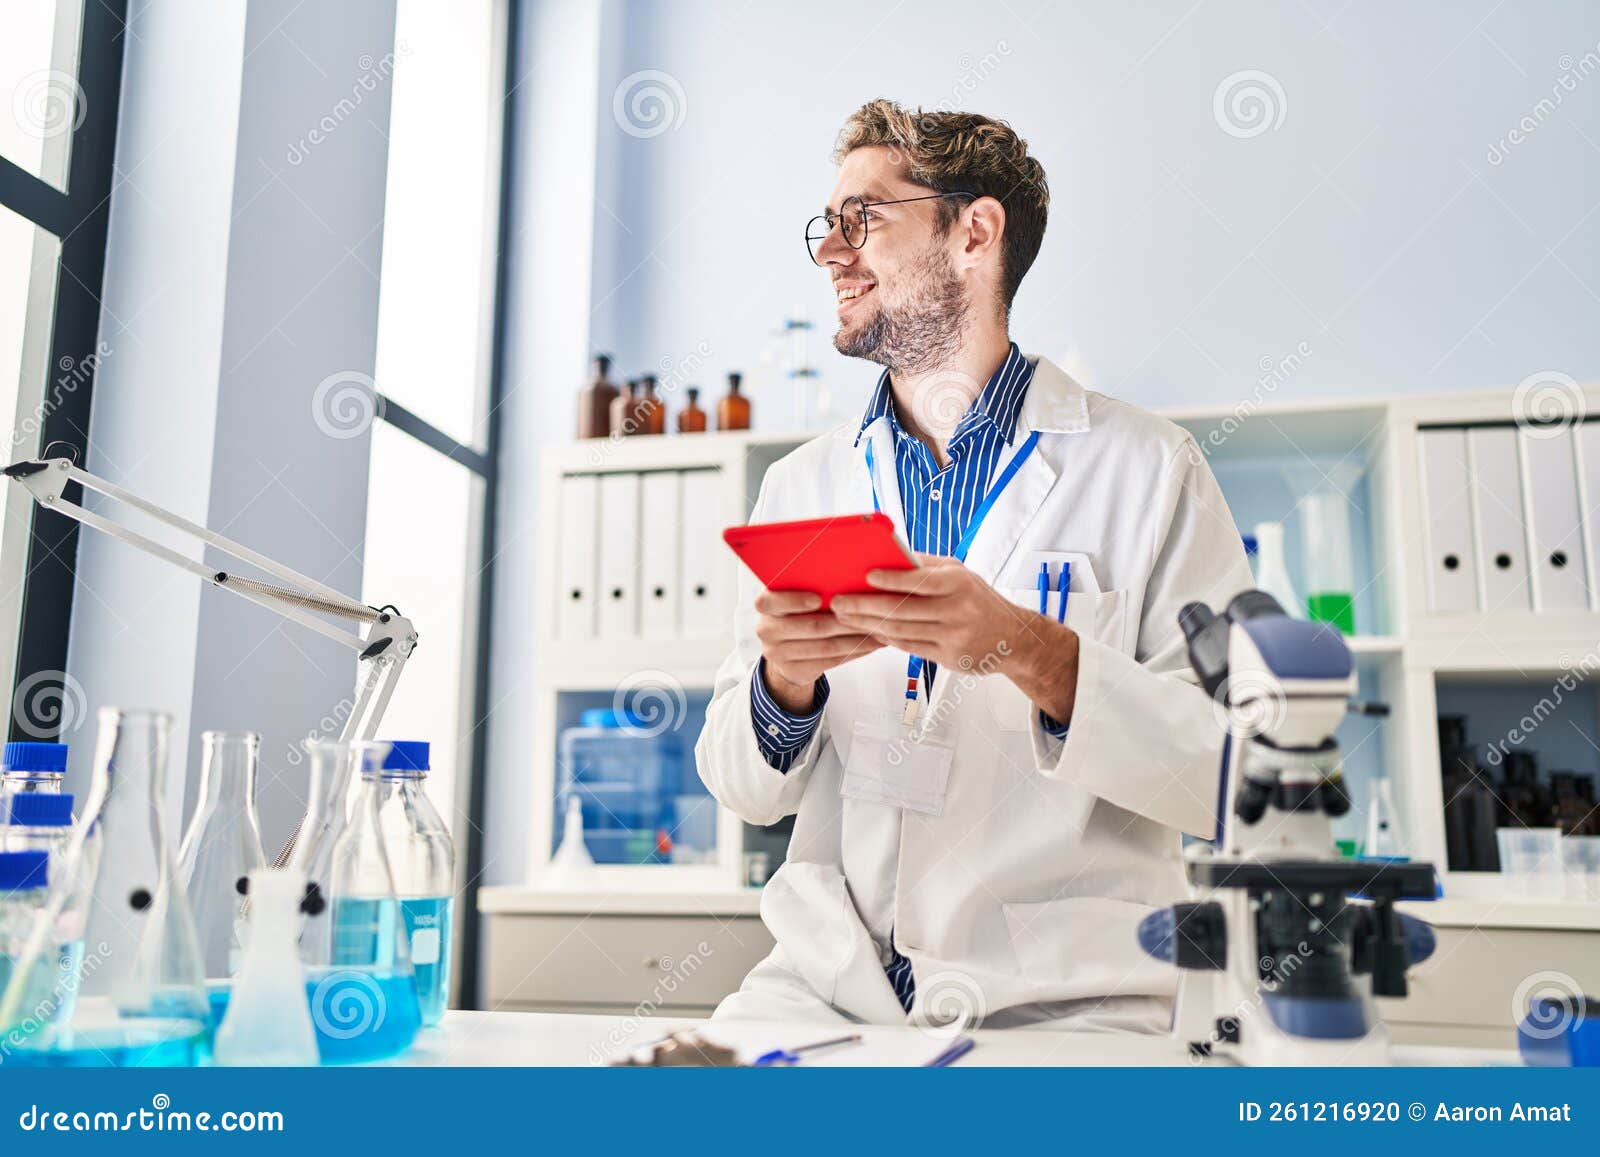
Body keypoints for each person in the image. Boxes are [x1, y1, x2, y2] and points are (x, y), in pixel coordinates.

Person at [695, 99, 1252, 1032]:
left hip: (1064, 1001)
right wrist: (785, 682)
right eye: (825, 227)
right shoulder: (804, 484)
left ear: (974, 232)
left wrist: (1032, 650)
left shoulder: (1149, 468)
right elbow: (743, 788)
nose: (831, 251)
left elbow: (1235, 773)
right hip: (827, 990)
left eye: (862, 217)